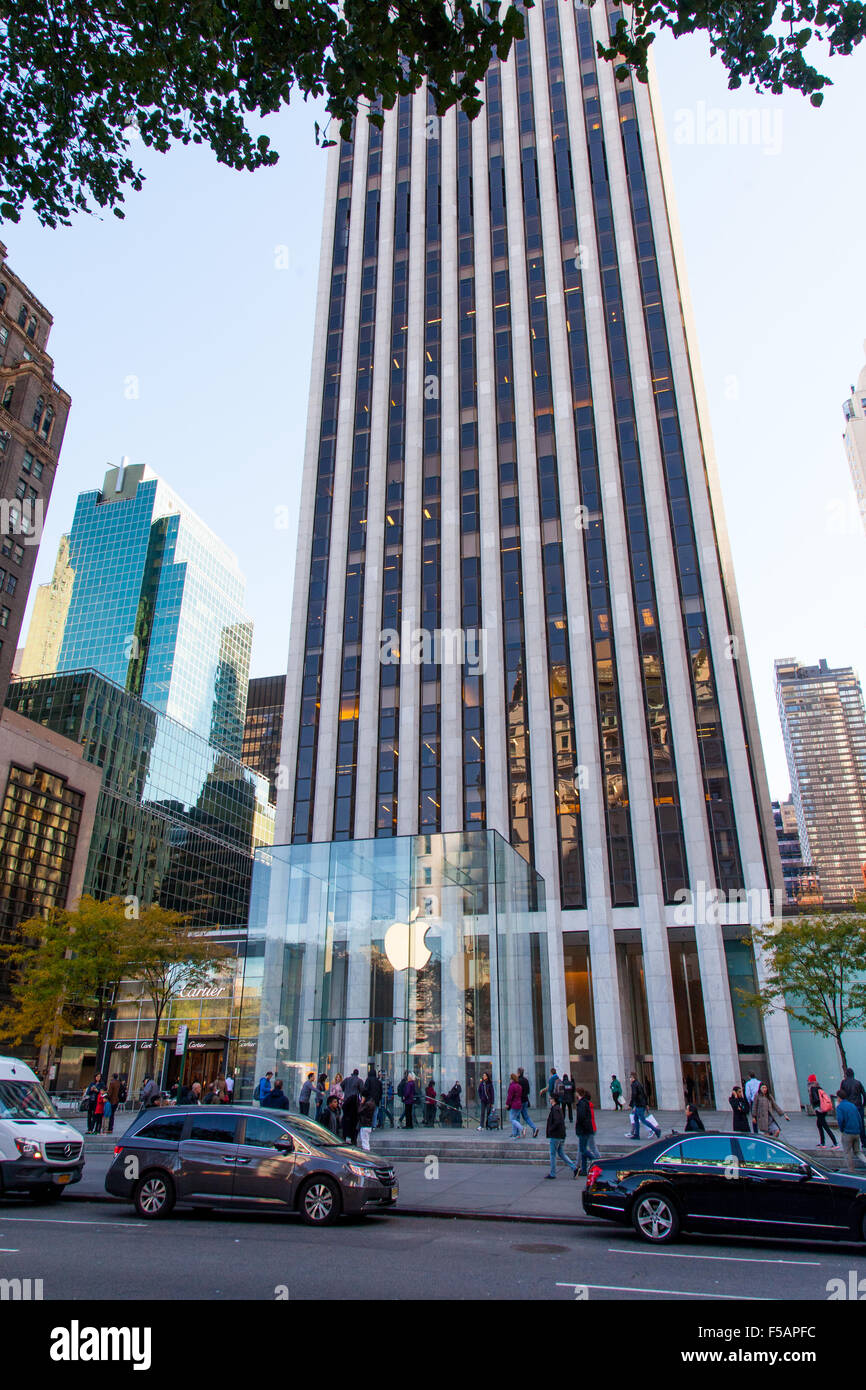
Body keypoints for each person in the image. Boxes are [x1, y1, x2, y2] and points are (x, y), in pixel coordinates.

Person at [545, 1097, 577, 1179]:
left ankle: (553, 1173)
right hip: (561, 1134)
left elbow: (557, 1121)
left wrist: (550, 1129)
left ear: (553, 1100)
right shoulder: (558, 1108)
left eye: (551, 1098)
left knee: (553, 1154)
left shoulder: (555, 1109)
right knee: (561, 1153)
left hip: (556, 1135)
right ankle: (574, 1167)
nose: (549, 1099)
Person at [835, 1091, 866, 1173]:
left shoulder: (840, 1107)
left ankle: (851, 1171)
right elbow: (859, 1118)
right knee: (858, 1151)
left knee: (847, 1152)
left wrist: (842, 1129)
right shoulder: (852, 1105)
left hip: (847, 1133)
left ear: (839, 1098)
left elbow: (840, 1120)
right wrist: (859, 1129)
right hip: (856, 1132)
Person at [574, 1088, 601, 1175]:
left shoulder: (582, 1104)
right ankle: (584, 1169)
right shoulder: (586, 1104)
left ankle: (596, 1161)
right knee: (584, 1149)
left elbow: (581, 1118)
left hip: (585, 1130)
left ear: (578, 1094)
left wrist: (580, 1128)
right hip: (588, 1129)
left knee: (583, 1149)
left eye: (576, 1092)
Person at [807, 1074, 838, 1149]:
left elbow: (816, 1099)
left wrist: (815, 1106)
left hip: (819, 1109)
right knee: (819, 1124)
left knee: (824, 1126)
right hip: (823, 1109)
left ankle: (835, 1143)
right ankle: (822, 1142)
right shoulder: (819, 1087)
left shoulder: (812, 1088)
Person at [629, 1072, 660, 1139]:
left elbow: (634, 1095)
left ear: (633, 1078)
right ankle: (636, 1134)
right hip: (641, 1104)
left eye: (630, 1077)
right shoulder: (639, 1084)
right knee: (636, 1118)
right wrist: (646, 1104)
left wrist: (631, 1104)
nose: (630, 1079)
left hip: (639, 1104)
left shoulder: (634, 1084)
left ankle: (656, 1130)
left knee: (642, 1119)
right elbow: (644, 1094)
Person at [839, 1067, 866, 1144]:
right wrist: (863, 1104)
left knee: (848, 1123)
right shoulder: (858, 1083)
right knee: (860, 1123)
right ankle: (863, 1141)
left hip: (848, 1106)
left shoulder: (844, 1083)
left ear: (846, 1075)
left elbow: (842, 1095)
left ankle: (851, 1141)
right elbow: (864, 1094)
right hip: (858, 1105)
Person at [516, 1067, 539, 1138]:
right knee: (526, 1117)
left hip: (519, 1101)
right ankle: (534, 1128)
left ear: (519, 1073)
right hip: (525, 1100)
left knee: (517, 1117)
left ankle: (518, 1133)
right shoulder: (526, 1080)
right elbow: (528, 1091)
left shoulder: (518, 1081)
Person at [342, 1069, 362, 1143]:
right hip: (354, 1101)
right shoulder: (359, 1080)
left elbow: (342, 1085)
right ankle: (352, 1137)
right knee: (353, 1119)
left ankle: (346, 1134)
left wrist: (346, 1091)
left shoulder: (347, 1079)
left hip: (346, 1099)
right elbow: (362, 1089)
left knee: (346, 1117)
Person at [507, 1072, 525, 1139]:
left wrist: (507, 1104)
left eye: (510, 1079)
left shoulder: (512, 1086)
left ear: (512, 1079)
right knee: (516, 1119)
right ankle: (515, 1134)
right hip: (519, 1104)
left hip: (514, 1104)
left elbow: (510, 1096)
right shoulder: (519, 1086)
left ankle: (522, 1128)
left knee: (512, 1120)